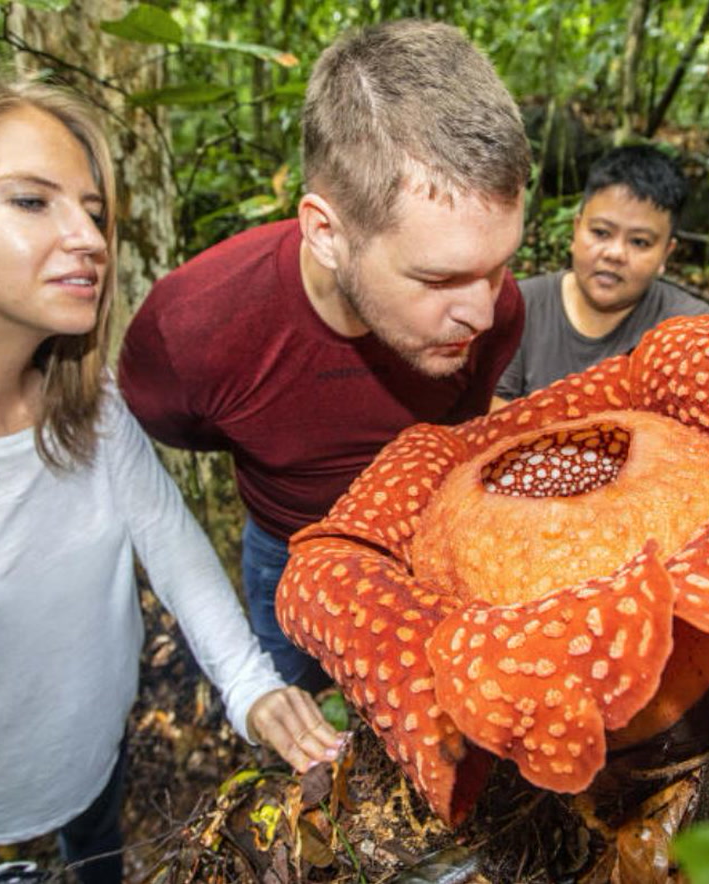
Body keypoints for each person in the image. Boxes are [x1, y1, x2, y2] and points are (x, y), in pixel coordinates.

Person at [0, 65, 342, 884]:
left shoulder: (91, 402)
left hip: (89, 782)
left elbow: (173, 547)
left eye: (92, 209)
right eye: (31, 201)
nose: (88, 238)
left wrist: (251, 688)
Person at [118, 20, 533, 693]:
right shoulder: (192, 332)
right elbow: (178, 425)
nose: (481, 313)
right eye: (437, 279)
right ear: (327, 233)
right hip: (282, 553)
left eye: (497, 267)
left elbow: (459, 424)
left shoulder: (496, 309)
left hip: (423, 546)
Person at [494, 145, 709, 402]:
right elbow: (493, 420)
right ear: (576, 230)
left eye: (640, 242)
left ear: (666, 253)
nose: (615, 253)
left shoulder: (692, 332)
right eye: (601, 232)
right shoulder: (519, 306)